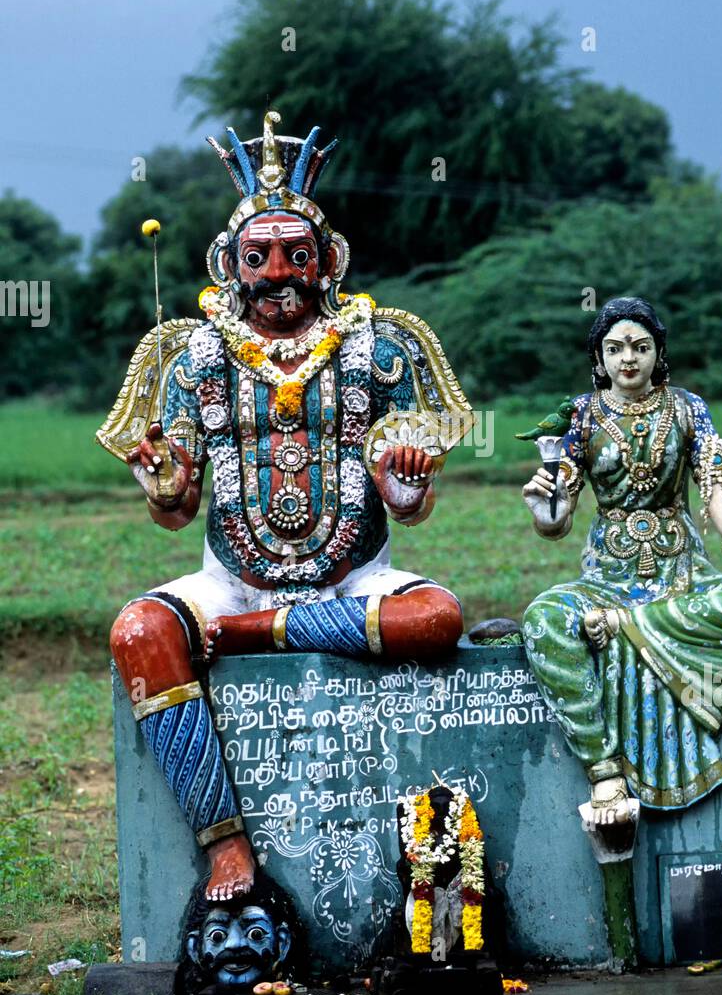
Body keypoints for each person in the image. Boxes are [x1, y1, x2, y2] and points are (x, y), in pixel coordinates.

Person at [99, 112, 470, 903]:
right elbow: (175, 509)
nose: (277, 273)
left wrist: (406, 479)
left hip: (353, 580)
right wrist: (162, 481)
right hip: (231, 580)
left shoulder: (377, 350)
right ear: (227, 265)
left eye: (295, 255)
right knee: (138, 631)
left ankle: (244, 638)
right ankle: (226, 847)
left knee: (437, 618)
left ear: (327, 261)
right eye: (258, 257)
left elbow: (408, 508)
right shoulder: (195, 358)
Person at [521, 296, 722, 830]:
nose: (628, 360)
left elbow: (717, 491)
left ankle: (626, 628)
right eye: (615, 348)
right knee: (543, 619)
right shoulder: (581, 415)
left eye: (640, 348)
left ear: (657, 352)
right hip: (608, 578)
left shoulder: (689, 409)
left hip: (682, 575)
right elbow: (558, 520)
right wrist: (544, 511)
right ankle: (603, 766)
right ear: (599, 357)